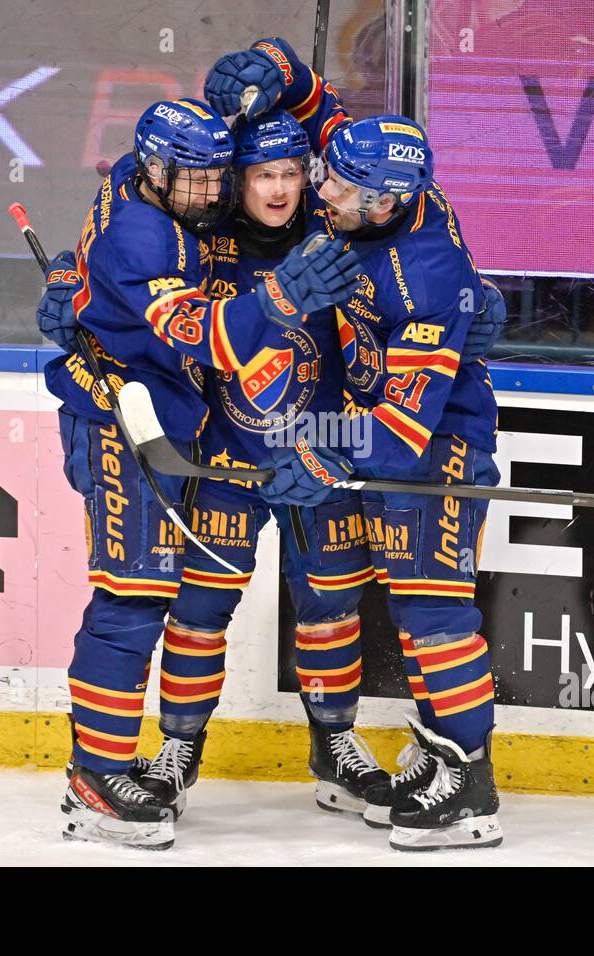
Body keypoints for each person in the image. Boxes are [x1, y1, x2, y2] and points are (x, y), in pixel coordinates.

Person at [206, 37, 505, 852]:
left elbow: (406, 434)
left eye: (337, 185)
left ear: (384, 204)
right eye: (325, 172)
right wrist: (281, 68)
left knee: (434, 616)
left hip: (437, 448)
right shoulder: (381, 179)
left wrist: (321, 450)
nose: (319, 189)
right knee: (348, 600)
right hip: (374, 429)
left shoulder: (429, 276)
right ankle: (425, 757)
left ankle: (469, 786)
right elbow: (323, 113)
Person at [38, 96, 360, 850]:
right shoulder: (148, 231)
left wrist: (71, 275)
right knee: (132, 596)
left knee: (143, 597)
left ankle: (106, 767)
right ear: (158, 170)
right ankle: (96, 778)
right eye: (197, 178)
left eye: (221, 175)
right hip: (121, 420)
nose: (211, 191)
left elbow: (112, 192)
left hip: (157, 420)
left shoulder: (139, 182)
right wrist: (279, 298)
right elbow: (208, 336)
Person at [137, 110, 392, 824]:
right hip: (226, 461)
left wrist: (344, 445)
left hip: (319, 457)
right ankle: (179, 749)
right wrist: (73, 277)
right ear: (236, 178)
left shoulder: (337, 231)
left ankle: (335, 745)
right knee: (196, 613)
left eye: (289, 174)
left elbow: (393, 314)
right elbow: (133, 246)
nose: (278, 190)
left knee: (332, 611)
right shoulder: (200, 240)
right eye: (262, 175)